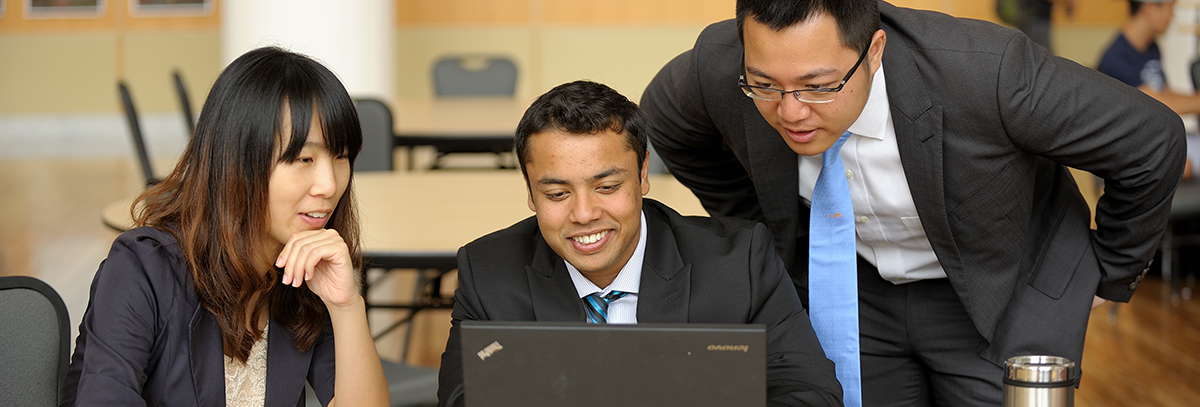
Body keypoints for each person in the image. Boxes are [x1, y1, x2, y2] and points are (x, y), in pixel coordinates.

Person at [640, 0, 1185, 405]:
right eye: (765, 85)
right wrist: (759, 226)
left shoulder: (986, 71)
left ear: (874, 51)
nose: (791, 112)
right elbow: (665, 125)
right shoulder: (719, 66)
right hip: (857, 291)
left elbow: (1150, 140)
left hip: (1004, 290)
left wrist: (1110, 272)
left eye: (819, 86)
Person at [436, 80, 842, 407]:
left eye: (607, 187)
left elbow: (809, 392)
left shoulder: (739, 263)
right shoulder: (488, 273)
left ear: (643, 173)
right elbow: (463, 398)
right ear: (529, 191)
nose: (584, 214)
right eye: (557, 194)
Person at [61, 47, 390, 406]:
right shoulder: (142, 269)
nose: (329, 184)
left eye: (341, 156)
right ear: (238, 163)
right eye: (303, 158)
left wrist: (346, 306)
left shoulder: (306, 273)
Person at [1098, 0, 1200, 179]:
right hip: (1132, 146)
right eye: (1170, 9)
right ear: (1151, 9)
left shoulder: (1152, 48)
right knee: (1185, 166)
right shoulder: (1116, 58)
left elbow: (1165, 94)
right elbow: (1157, 105)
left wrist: (1195, 100)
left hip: (1159, 139)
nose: (1172, 16)